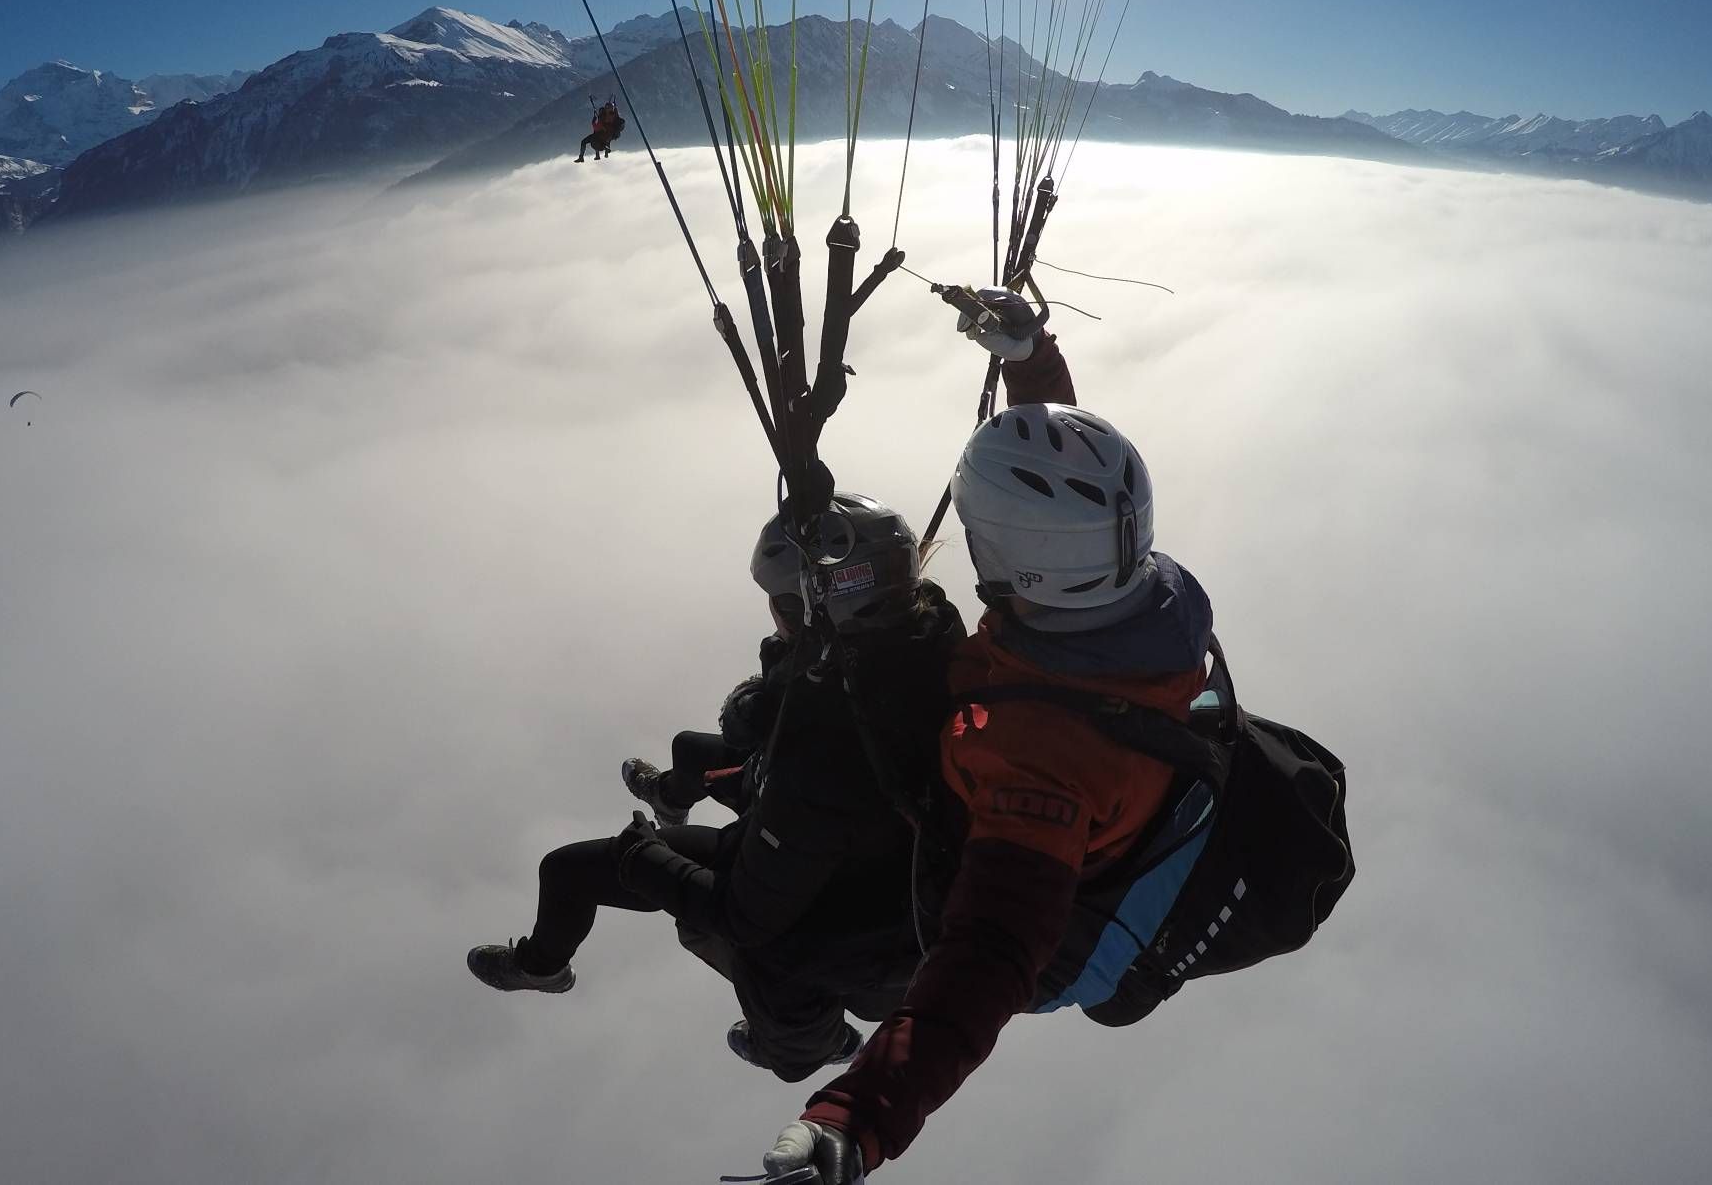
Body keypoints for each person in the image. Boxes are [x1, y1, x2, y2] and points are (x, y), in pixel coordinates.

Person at [757, 288, 1215, 1183]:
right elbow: (1064, 493)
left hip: (1017, 892)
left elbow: (990, 959)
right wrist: (1031, 362)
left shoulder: (1039, 762)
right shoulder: (1142, 601)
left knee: (787, 945)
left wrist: (859, 1115)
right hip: (1080, 796)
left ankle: (797, 1037)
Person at [467, 494, 964, 1082]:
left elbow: (746, 917)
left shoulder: (825, 760)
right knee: (569, 869)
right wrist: (778, 683)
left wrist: (640, 860)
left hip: (860, 933)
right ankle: (543, 965)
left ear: (815, 607)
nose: (774, 617)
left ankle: (811, 1044)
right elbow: (838, 691)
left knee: (770, 970)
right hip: (843, 865)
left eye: (780, 605)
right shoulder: (921, 638)